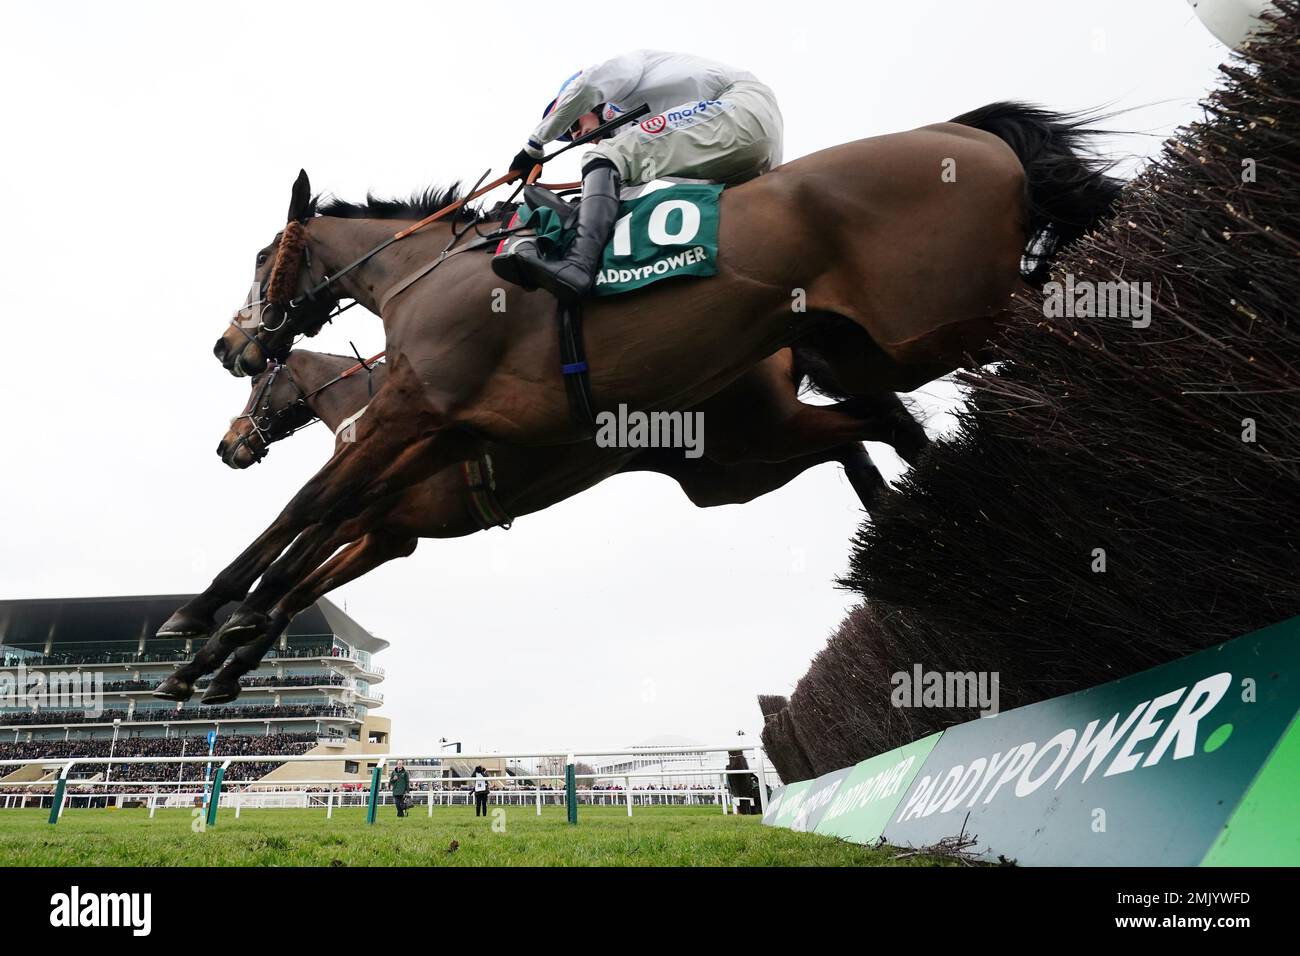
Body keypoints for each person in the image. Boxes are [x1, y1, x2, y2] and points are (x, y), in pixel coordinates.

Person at [493, 49, 784, 302]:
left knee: (601, 155)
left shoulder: (626, 73)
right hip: (745, 154)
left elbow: (588, 85)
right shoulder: (634, 137)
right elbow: (616, 198)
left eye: (573, 126)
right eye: (570, 135)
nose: (576, 136)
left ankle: (577, 267)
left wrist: (535, 145)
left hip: (740, 107)